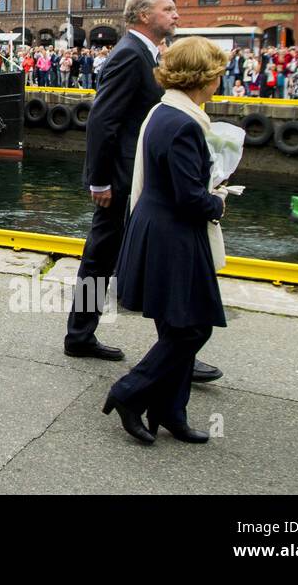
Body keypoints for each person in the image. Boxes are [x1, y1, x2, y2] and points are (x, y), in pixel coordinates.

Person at [64, 0, 222, 383]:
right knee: (103, 258)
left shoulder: (147, 54)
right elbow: (103, 121)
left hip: (136, 180)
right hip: (120, 183)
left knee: (109, 258)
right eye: (168, 8)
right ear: (143, 15)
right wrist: (100, 181)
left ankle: (160, 345)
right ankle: (169, 349)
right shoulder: (129, 55)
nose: (176, 15)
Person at [106, 37, 228, 444]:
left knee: (178, 326)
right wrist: (218, 201)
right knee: (192, 329)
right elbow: (189, 197)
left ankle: (170, 409)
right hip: (173, 236)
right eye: (216, 73)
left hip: (156, 228)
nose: (220, 80)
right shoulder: (184, 124)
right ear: (203, 77)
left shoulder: (163, 112)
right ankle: (130, 391)